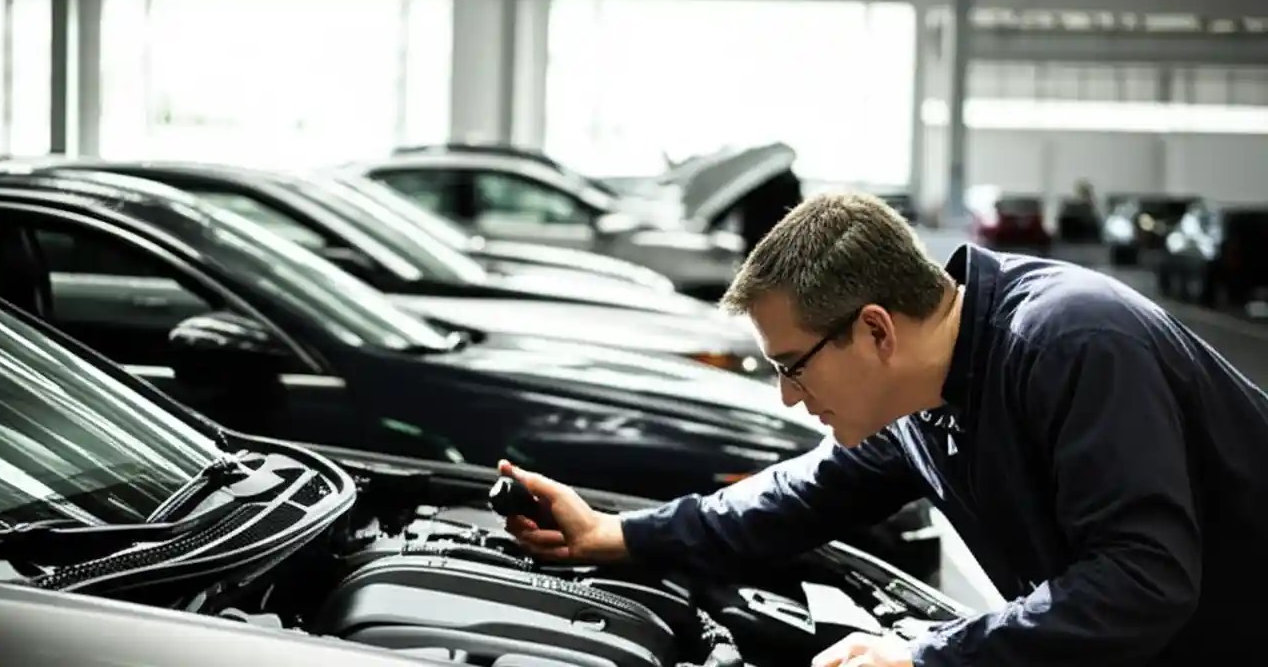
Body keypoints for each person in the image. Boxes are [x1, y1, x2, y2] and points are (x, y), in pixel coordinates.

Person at [497, 192, 1268, 666]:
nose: (790, 398)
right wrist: (617, 536)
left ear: (874, 330)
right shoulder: (928, 388)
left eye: (793, 365)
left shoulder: (1072, 345)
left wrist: (927, 657)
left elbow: (1143, 582)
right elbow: (804, 494)